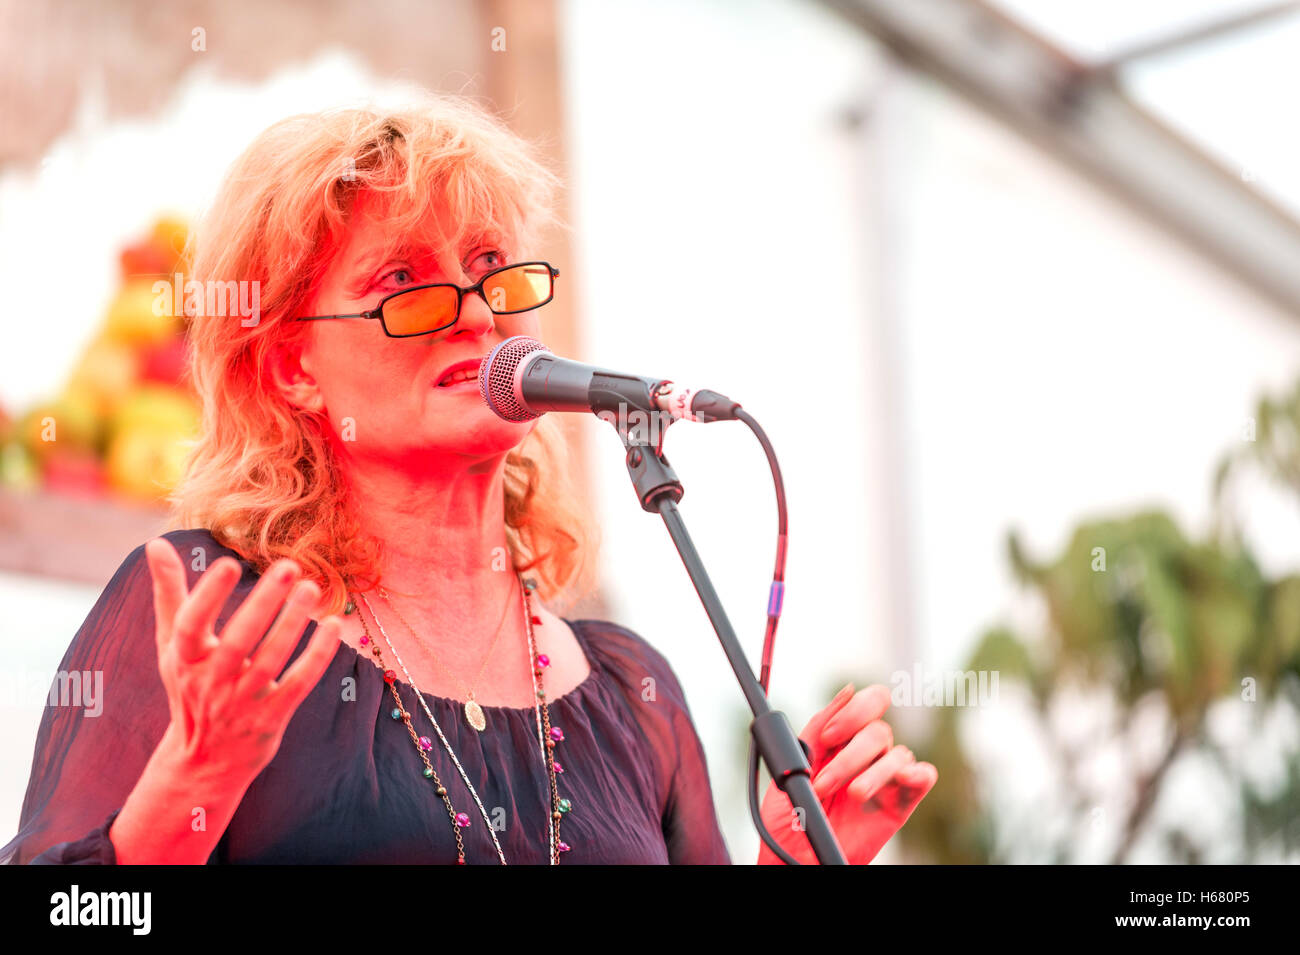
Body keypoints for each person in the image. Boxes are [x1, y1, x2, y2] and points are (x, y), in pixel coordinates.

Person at [1, 94, 936, 865]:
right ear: (292, 367)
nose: (473, 309)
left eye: (490, 266)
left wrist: (798, 861)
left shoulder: (628, 687)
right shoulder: (214, 616)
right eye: (402, 279)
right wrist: (193, 780)